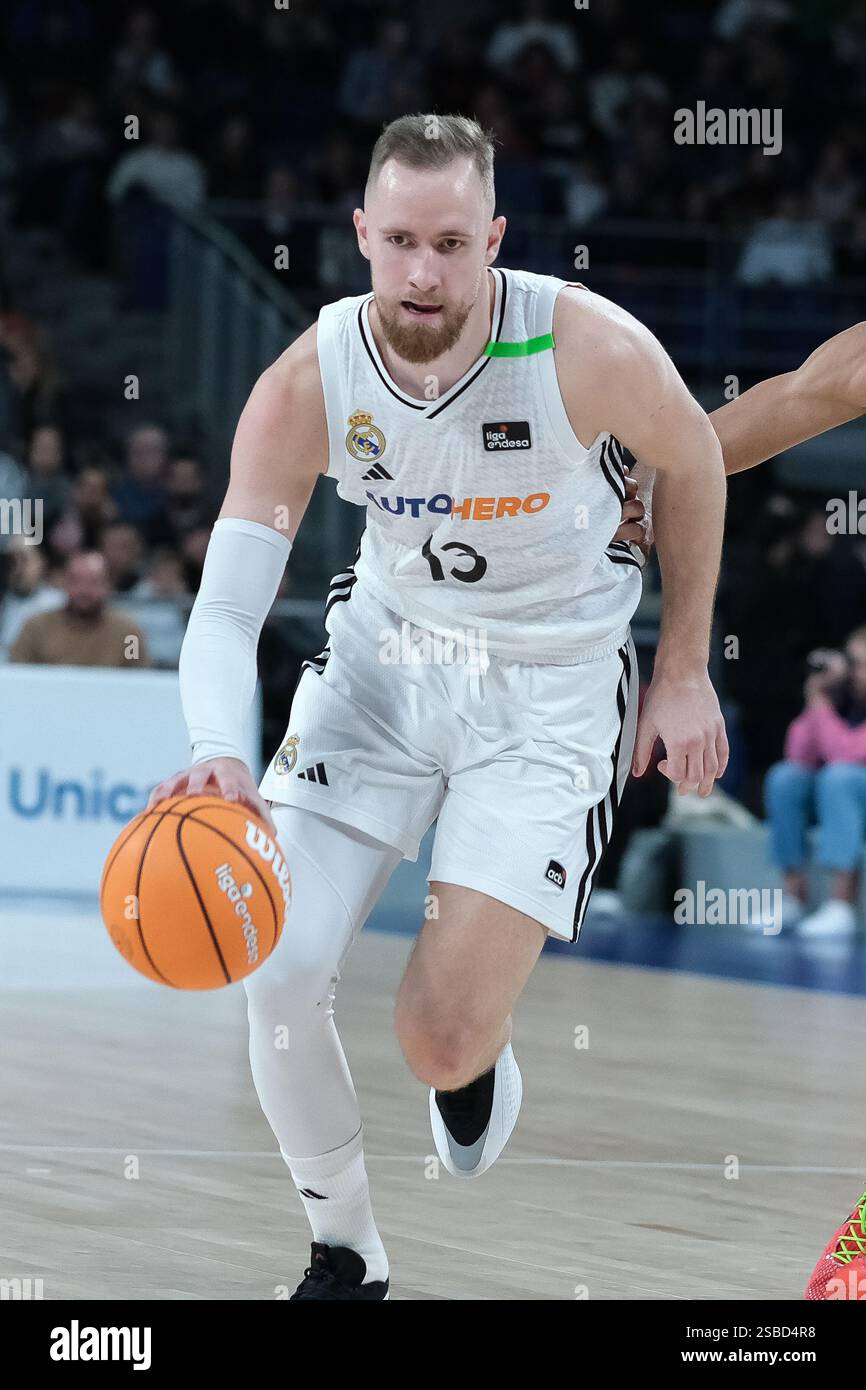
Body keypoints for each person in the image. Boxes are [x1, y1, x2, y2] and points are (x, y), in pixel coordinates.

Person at [147, 113, 728, 1301]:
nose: (423, 272)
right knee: (275, 968)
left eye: (451, 244)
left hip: (552, 690)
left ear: (495, 240)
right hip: (382, 670)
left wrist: (678, 667)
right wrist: (217, 753)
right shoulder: (307, 381)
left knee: (438, 1035)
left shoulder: (586, 346)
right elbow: (220, 614)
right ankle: (344, 1251)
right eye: (400, 239)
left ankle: (469, 1062)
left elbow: (702, 460)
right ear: (360, 234)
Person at [765, 633, 866, 936]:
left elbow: (845, 756)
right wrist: (815, 699)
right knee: (785, 777)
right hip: (842, 792)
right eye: (850, 662)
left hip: (847, 786)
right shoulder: (843, 702)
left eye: (860, 664)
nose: (851, 672)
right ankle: (793, 896)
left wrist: (820, 707)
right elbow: (798, 755)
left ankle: (841, 904)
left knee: (839, 777)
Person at [9, 550, 149, 668]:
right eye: (76, 581)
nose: (84, 590)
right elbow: (18, 674)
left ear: (108, 586)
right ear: (64, 583)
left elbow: (138, 677)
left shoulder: (129, 634)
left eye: (94, 582)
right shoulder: (36, 627)